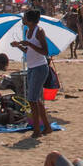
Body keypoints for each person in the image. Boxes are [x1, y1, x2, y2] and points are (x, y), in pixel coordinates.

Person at [13, 9, 54, 138]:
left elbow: (45, 51)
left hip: (40, 67)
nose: (23, 19)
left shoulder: (39, 31)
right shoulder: (28, 31)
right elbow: (28, 50)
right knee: (35, 99)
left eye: (25, 17)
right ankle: (46, 127)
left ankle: (37, 130)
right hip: (32, 67)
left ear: (30, 20)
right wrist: (18, 46)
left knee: (32, 99)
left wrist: (29, 43)